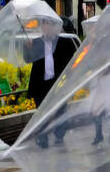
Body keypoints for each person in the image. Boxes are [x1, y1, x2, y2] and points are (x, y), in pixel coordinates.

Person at [28, 16, 76, 145]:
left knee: (61, 109)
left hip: (58, 83)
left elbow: (72, 61)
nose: (45, 28)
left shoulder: (64, 43)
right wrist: (28, 48)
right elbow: (28, 59)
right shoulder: (36, 42)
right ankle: (42, 137)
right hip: (41, 83)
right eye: (43, 25)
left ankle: (59, 132)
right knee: (41, 112)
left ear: (55, 27)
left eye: (48, 25)